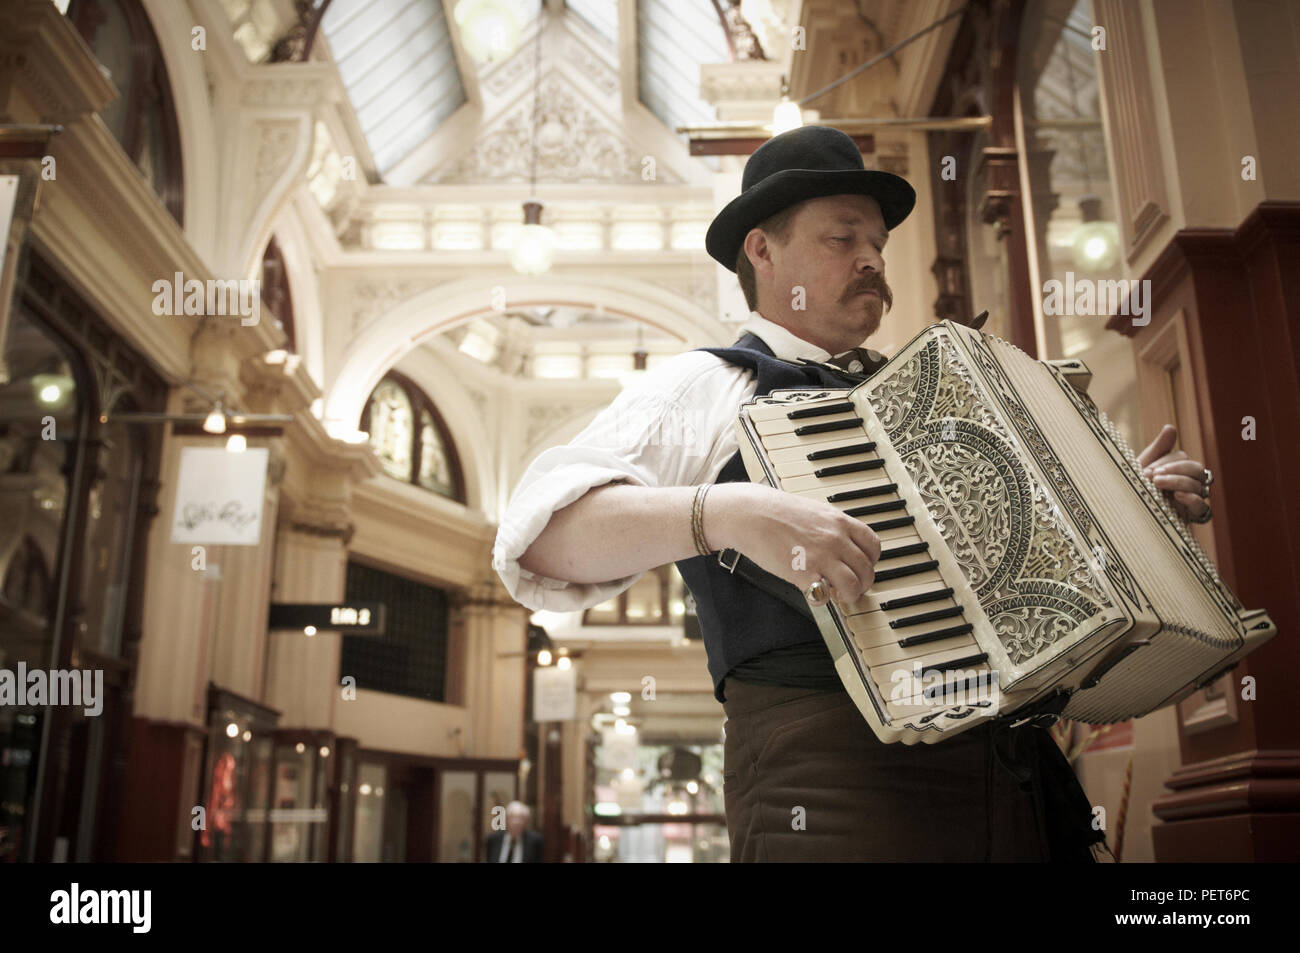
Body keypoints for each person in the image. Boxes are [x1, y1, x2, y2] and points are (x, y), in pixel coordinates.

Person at [492, 126, 1214, 862]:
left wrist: (1123, 514)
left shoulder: (931, 397)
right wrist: (731, 513)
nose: (871, 257)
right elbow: (545, 532)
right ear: (762, 251)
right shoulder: (706, 385)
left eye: (877, 241)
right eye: (842, 238)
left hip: (1014, 780)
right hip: (830, 789)